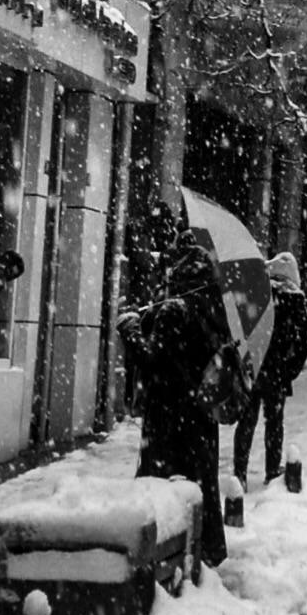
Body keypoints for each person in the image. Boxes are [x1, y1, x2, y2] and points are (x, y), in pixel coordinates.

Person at [120, 235, 229, 567]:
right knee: (201, 482)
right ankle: (207, 548)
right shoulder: (214, 308)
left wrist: (130, 329)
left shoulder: (175, 309)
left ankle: (159, 560)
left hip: (170, 417)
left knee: (161, 489)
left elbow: (153, 358)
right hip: (201, 415)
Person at [232, 252, 307, 487]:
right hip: (276, 373)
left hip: (253, 368)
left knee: (246, 422)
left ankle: (240, 473)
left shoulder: (256, 294)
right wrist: (288, 371)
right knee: (274, 423)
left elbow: (239, 330)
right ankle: (272, 469)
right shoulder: (295, 300)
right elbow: (301, 345)